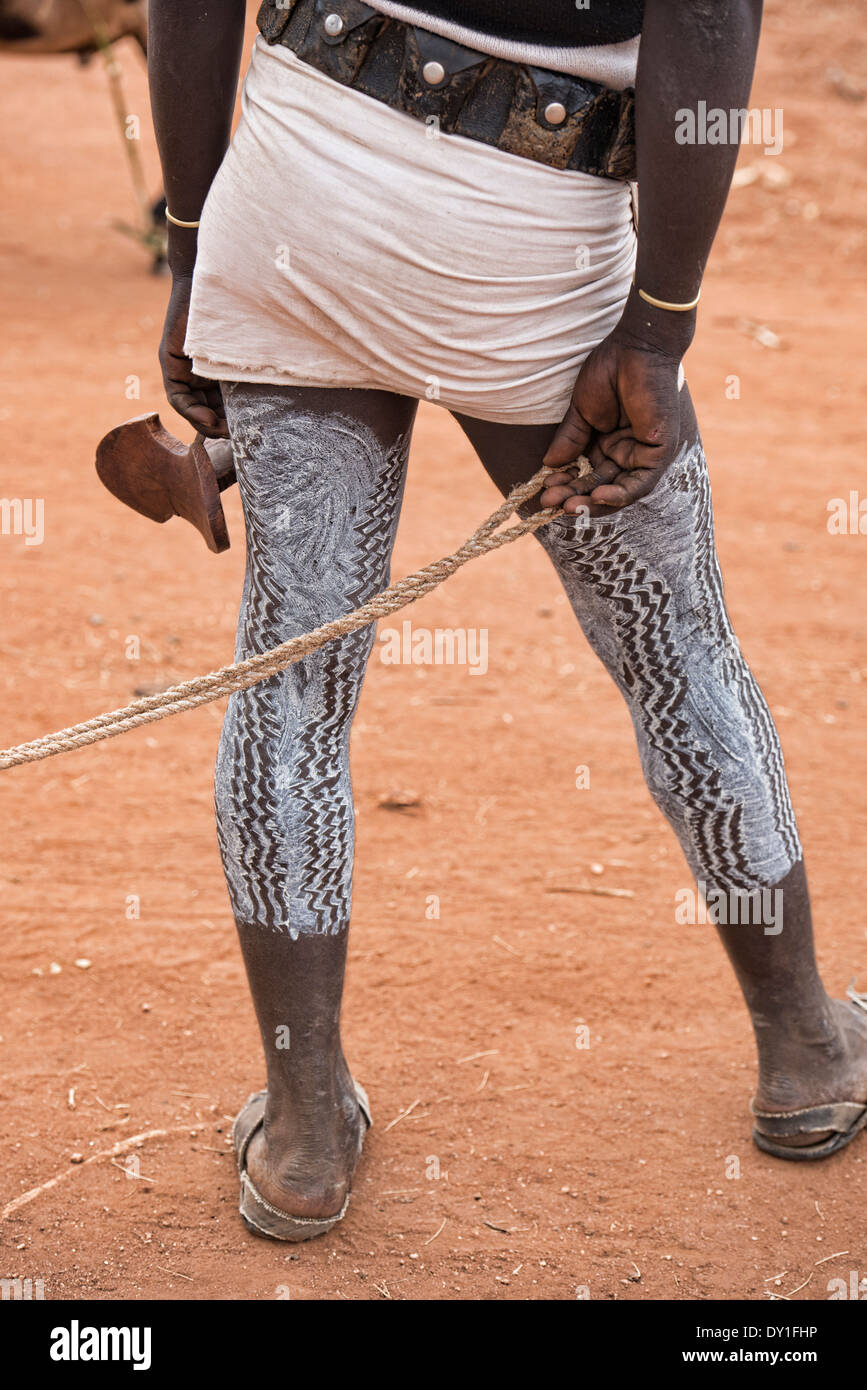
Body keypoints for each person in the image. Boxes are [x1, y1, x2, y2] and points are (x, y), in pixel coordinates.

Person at [148, 0, 867, 1241]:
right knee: (675, 652)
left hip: (299, 205)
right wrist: (660, 325)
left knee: (291, 684)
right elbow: (706, 15)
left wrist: (192, 240)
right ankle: (807, 1048)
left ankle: (307, 1133)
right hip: (534, 247)